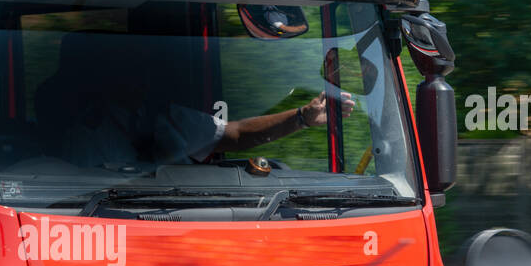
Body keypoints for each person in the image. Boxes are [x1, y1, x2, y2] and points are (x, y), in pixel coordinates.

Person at [64, 62, 355, 168]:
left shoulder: (169, 117)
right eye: (132, 73)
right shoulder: (87, 132)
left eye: (144, 74)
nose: (142, 81)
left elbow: (235, 134)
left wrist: (302, 117)